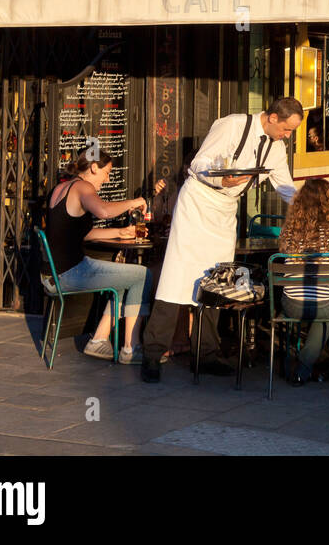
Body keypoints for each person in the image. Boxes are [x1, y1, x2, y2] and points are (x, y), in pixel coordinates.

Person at [140, 97, 304, 383]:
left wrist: (310, 206)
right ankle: (153, 354)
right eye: (287, 130)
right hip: (198, 202)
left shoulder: (276, 148)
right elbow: (201, 161)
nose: (287, 136)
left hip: (226, 212)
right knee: (175, 280)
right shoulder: (231, 125)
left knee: (218, 281)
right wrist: (221, 180)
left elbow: (285, 186)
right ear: (274, 117)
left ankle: (205, 355)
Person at [42, 154, 152, 363]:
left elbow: (81, 234)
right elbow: (103, 211)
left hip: (51, 274)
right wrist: (134, 202)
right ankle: (131, 348)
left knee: (120, 276)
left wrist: (120, 233)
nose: (108, 179)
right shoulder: (83, 188)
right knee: (142, 275)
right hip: (68, 273)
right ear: (93, 168)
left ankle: (99, 340)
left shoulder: (61, 188)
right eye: (107, 173)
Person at [277, 179, 329, 386]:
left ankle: (304, 365)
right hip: (323, 304)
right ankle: (307, 365)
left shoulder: (291, 227)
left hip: (291, 304)